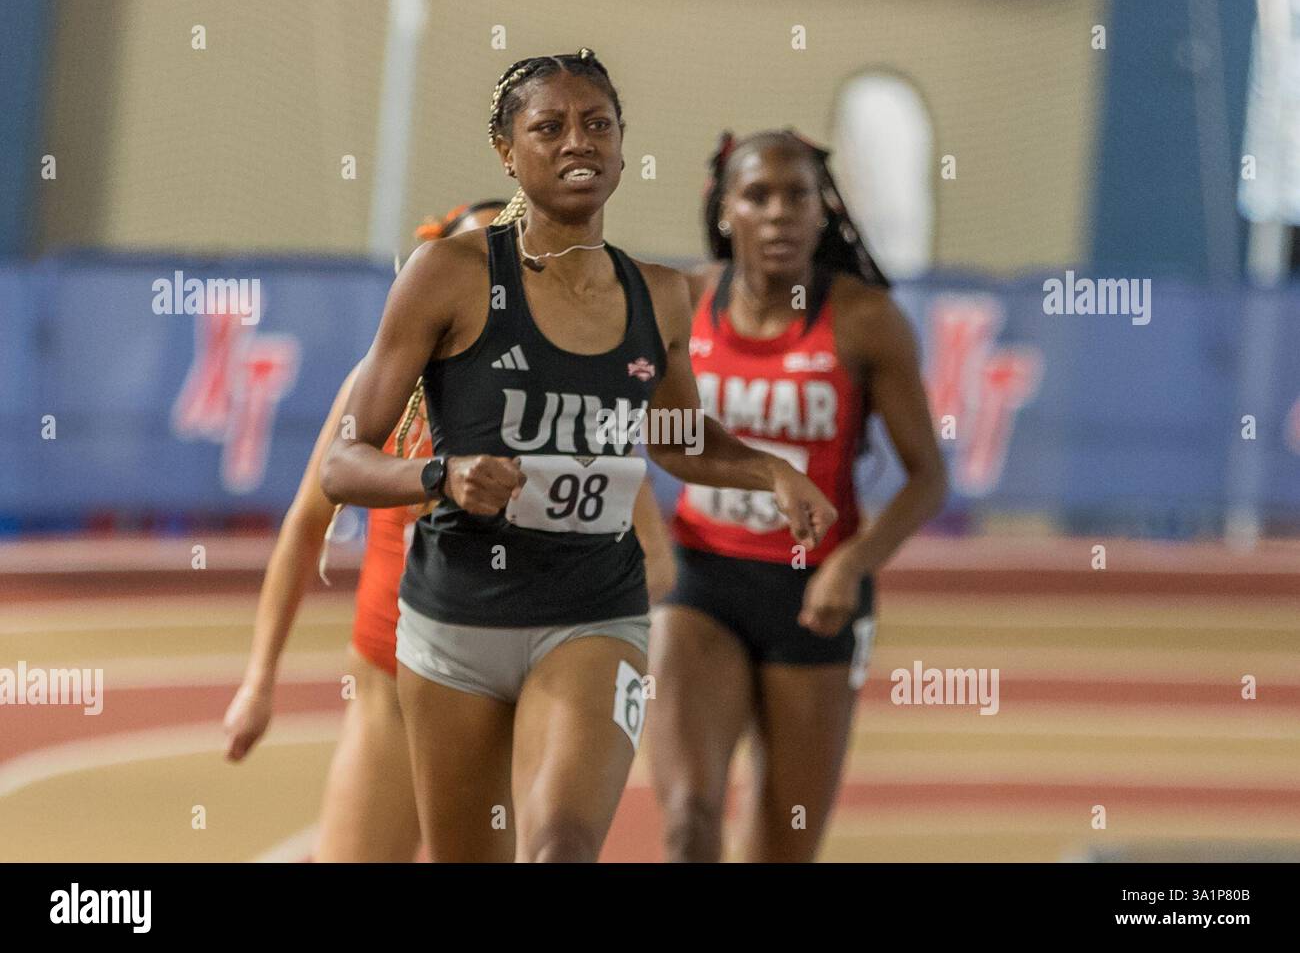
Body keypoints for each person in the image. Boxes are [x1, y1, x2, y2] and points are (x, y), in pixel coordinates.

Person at [318, 50, 838, 863]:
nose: (577, 143)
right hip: (455, 618)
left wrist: (770, 468)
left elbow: (680, 440)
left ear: (624, 146)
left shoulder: (659, 294)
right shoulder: (448, 275)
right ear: (506, 150)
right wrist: (440, 475)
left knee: (561, 843)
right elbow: (340, 465)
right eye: (549, 127)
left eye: (597, 124)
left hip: (592, 607)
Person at [223, 200, 673, 861]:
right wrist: (258, 683)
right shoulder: (378, 391)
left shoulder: (573, 404)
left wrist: (585, 641)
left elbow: (655, 562)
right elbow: (306, 524)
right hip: (390, 690)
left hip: (513, 674)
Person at [647, 129, 948, 862]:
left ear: (825, 212)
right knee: (688, 821)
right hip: (702, 583)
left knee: (782, 848)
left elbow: (928, 477)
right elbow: (654, 438)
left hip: (816, 597)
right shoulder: (682, 304)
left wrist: (852, 565)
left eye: (797, 196)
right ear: (725, 212)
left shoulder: (866, 321)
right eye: (757, 196)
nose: (779, 213)